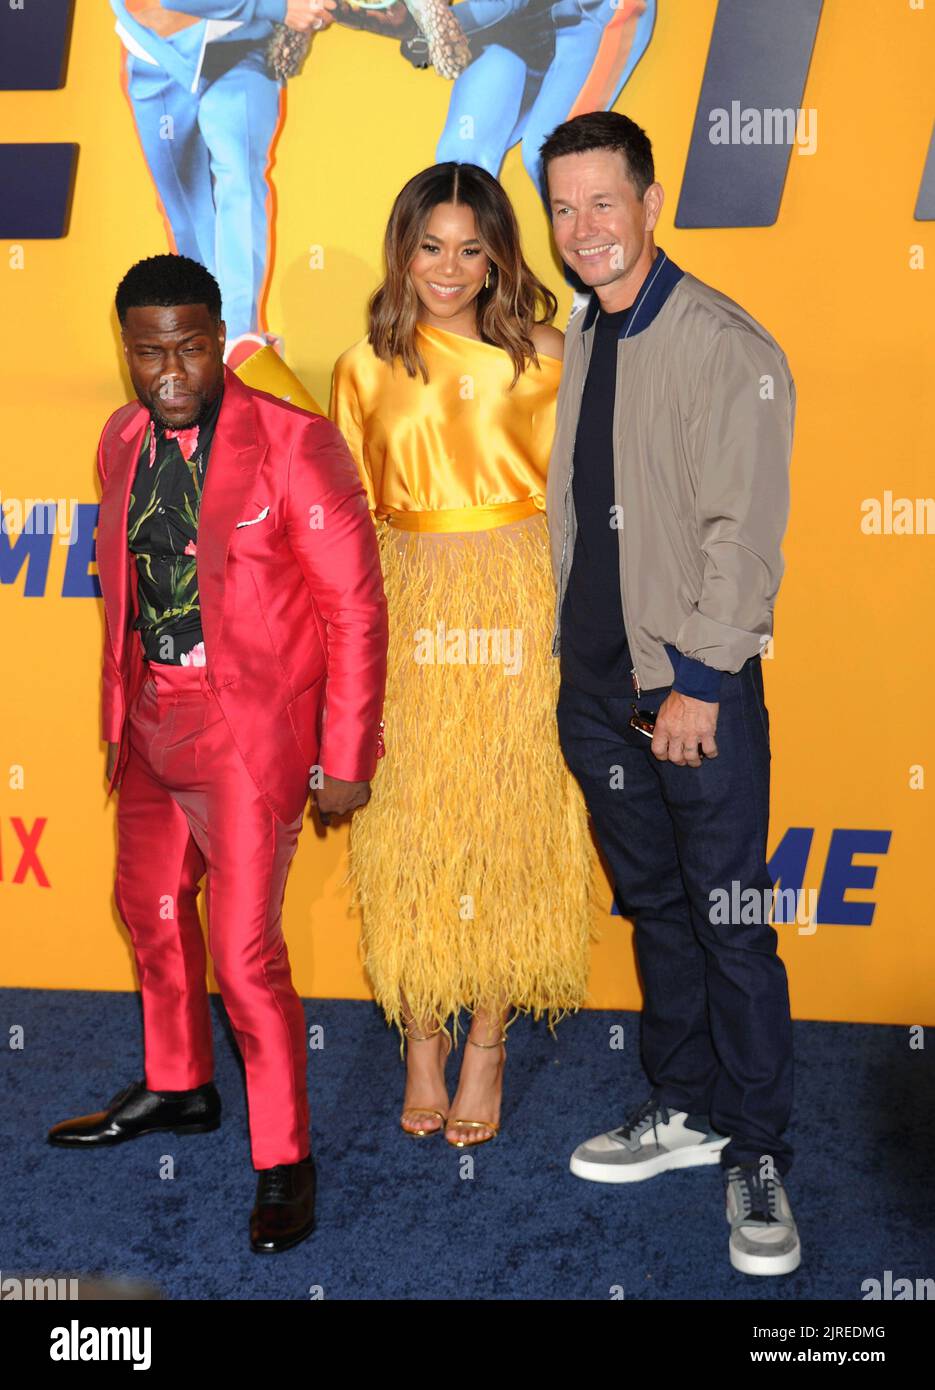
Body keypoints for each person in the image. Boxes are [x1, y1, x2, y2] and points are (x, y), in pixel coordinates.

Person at [47, 253, 387, 1256]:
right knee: (148, 910)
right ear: (126, 349)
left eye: (189, 343)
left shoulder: (294, 444)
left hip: (245, 733)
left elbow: (354, 608)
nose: (169, 367)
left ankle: (284, 1158)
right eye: (147, 348)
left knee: (243, 957)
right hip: (151, 717)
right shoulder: (118, 439)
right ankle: (179, 1084)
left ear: (218, 334)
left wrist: (347, 749)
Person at [540, 111, 800, 1276]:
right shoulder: (591, 334)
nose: (583, 227)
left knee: (730, 923)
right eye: (562, 207)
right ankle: (686, 1108)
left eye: (604, 201)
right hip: (597, 693)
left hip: (685, 695)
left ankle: (757, 1151)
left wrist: (695, 683)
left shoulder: (721, 343)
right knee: (656, 911)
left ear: (650, 203)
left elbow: (739, 539)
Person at [330, 162, 593, 1148]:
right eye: (428, 246)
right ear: (403, 251)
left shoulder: (547, 356)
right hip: (405, 603)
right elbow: (345, 519)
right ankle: (420, 1034)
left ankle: (487, 1036)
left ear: (497, 257)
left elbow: (581, 505)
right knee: (411, 820)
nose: (447, 268)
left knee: (509, 813)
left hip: (520, 602)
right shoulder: (363, 365)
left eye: (469, 248)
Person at [108, 0, 335, 349]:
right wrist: (278, 8)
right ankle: (206, 334)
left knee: (239, 180)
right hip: (155, 52)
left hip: (242, 50)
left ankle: (240, 340)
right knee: (186, 209)